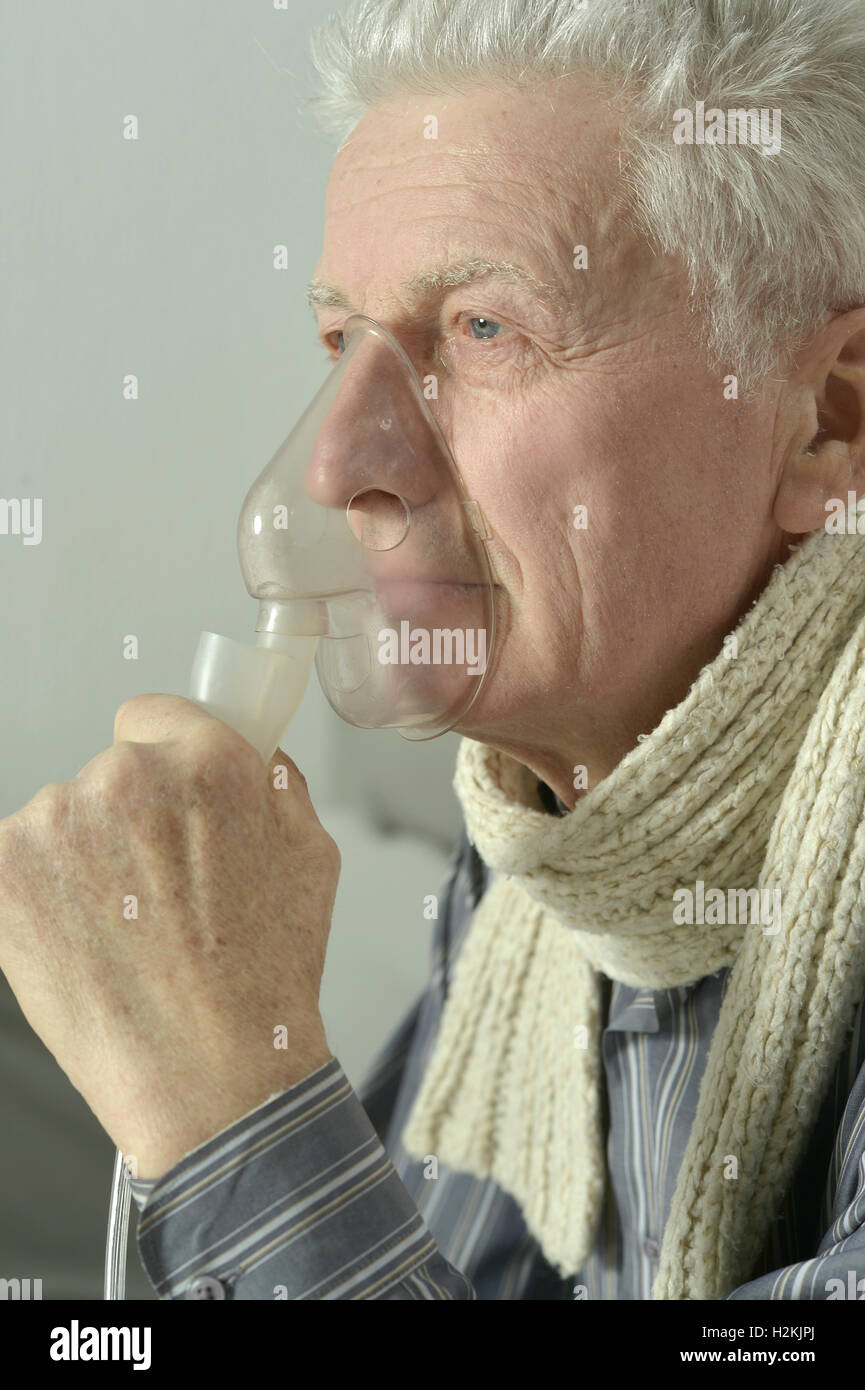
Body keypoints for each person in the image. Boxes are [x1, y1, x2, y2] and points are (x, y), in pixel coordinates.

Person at [2, 0, 865, 1301]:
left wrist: (232, 1098)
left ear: (827, 422)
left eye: (482, 330)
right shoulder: (543, 856)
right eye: (343, 342)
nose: (339, 462)